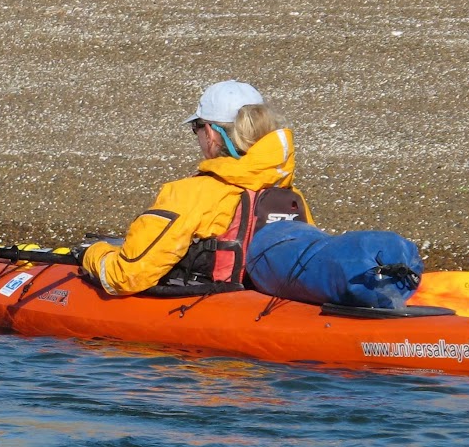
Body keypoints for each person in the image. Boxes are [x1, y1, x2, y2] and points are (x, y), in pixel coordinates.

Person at [80, 80, 308, 296]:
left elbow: (126, 275)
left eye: (196, 128)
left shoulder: (190, 193)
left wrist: (92, 253)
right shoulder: (291, 195)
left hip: (214, 308)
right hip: (267, 303)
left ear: (209, 132)